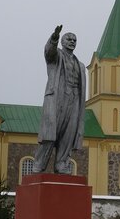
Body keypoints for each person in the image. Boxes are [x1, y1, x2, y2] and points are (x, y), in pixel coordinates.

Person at [32, 25, 86, 174]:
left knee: (68, 134)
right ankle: (39, 164)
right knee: (50, 134)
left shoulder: (80, 65)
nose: (72, 41)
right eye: (69, 39)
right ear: (62, 42)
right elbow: (49, 52)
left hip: (74, 100)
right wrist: (54, 37)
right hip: (58, 97)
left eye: (75, 40)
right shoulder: (56, 57)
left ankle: (61, 163)